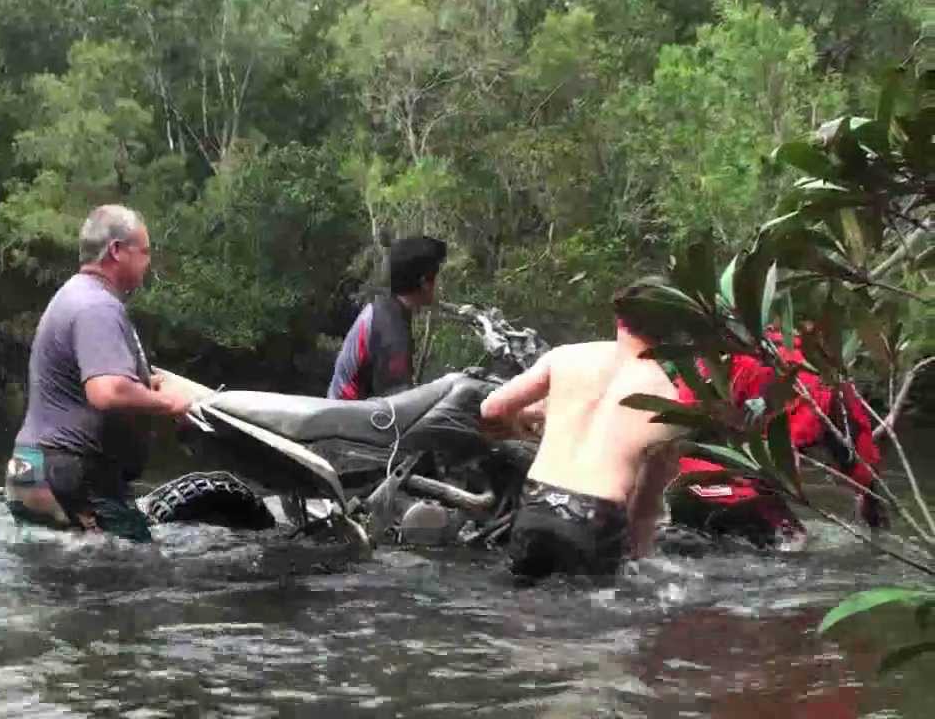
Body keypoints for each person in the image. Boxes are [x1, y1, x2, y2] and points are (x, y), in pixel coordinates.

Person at [4, 205, 191, 542]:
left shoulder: (74, 295)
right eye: (145, 252)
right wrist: (169, 404)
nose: (148, 262)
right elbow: (108, 391)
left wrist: (145, 384)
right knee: (142, 577)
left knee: (65, 587)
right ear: (117, 251)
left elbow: (101, 381)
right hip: (70, 474)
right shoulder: (98, 306)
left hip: (31, 468)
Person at [479, 281, 686, 578]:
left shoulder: (567, 356)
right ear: (670, 333)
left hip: (537, 504)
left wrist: (523, 426)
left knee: (521, 611)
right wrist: (639, 556)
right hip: (596, 518)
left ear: (619, 317)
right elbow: (644, 507)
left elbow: (492, 409)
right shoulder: (668, 402)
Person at [670, 326, 886, 547]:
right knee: (795, 546)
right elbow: (861, 461)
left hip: (682, 490)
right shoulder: (827, 377)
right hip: (744, 494)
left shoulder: (715, 354)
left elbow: (674, 421)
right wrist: (873, 511)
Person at [327, 235, 448, 400]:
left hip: (351, 412)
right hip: (348, 419)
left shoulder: (389, 308)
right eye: (438, 275)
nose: (441, 283)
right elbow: (397, 405)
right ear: (424, 282)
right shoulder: (391, 331)